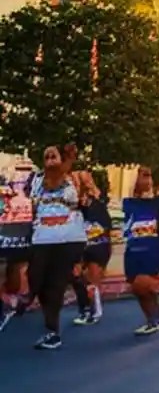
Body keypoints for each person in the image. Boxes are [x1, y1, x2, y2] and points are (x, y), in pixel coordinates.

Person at [25, 146, 86, 349]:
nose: (50, 160)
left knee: (55, 284)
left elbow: (85, 201)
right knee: (37, 280)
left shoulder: (73, 179)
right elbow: (31, 206)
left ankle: (53, 332)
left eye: (54, 156)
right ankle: (51, 319)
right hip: (42, 238)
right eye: (47, 157)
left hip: (67, 239)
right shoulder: (35, 181)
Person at [122, 168, 159, 335]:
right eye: (143, 175)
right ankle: (152, 320)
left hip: (152, 249)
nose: (147, 179)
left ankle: (158, 295)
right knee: (137, 289)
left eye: (149, 176)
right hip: (133, 249)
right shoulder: (128, 202)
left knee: (143, 282)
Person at [70, 167, 110, 326]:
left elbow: (104, 223)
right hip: (80, 243)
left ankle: (95, 311)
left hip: (97, 243)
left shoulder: (97, 200)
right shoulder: (74, 202)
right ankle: (85, 308)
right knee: (75, 275)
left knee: (93, 279)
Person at [0, 165, 34, 332]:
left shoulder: (27, 200)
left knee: (15, 269)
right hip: (12, 238)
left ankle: (15, 301)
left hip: (16, 238)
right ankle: (15, 301)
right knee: (12, 270)